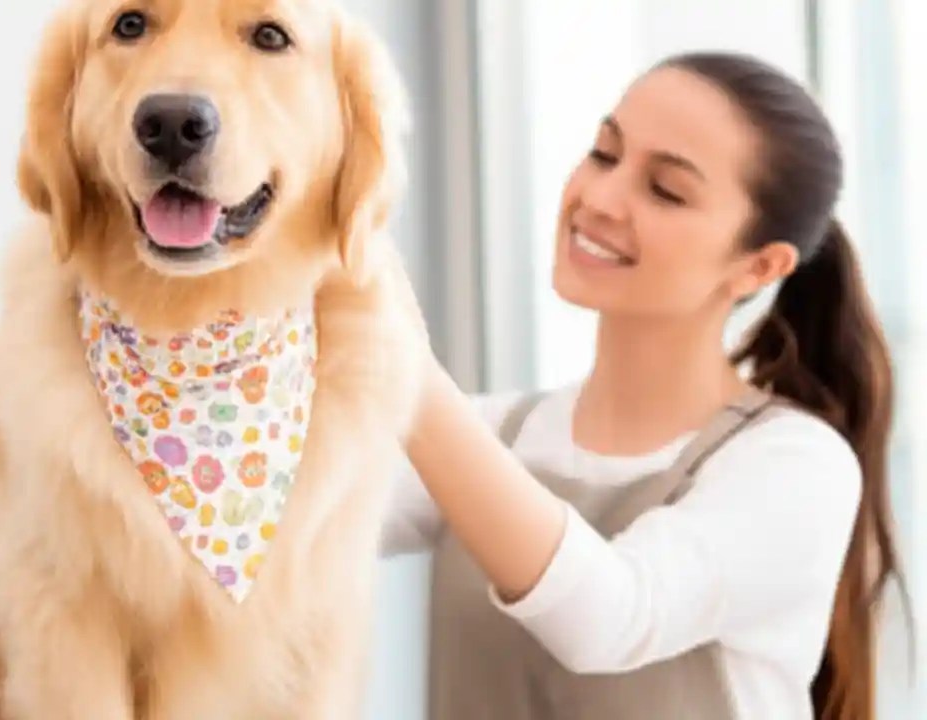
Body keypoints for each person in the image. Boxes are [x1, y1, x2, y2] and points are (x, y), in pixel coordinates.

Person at [383, 51, 903, 720]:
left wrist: (407, 374)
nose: (599, 199)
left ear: (759, 267)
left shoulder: (795, 465)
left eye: (666, 190)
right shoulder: (493, 435)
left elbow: (611, 617)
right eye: (604, 153)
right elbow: (268, 512)